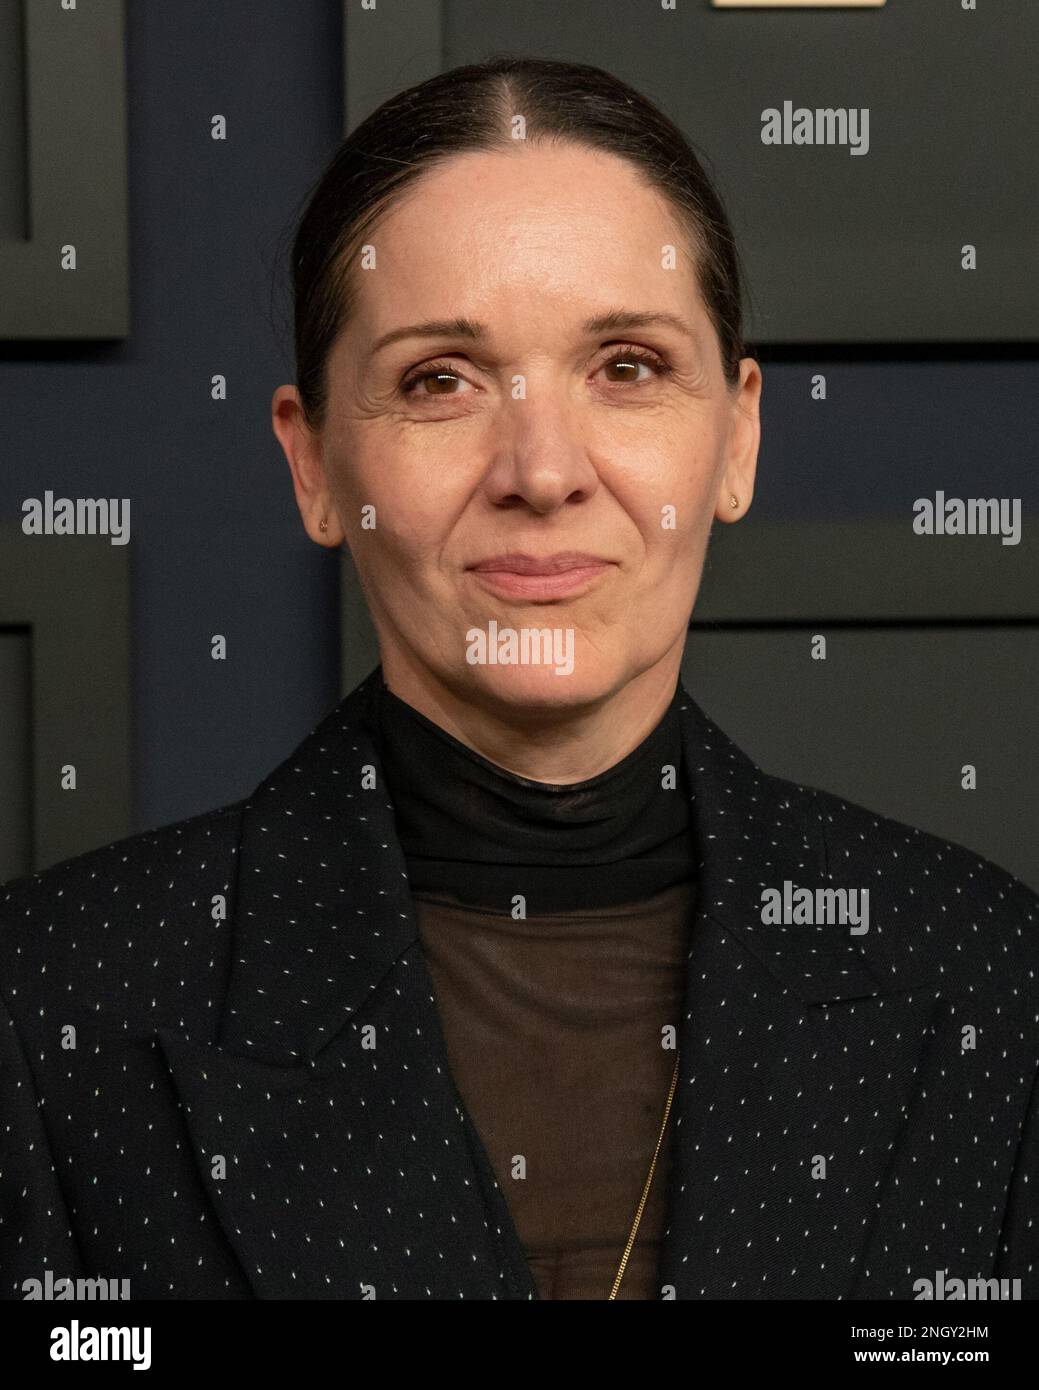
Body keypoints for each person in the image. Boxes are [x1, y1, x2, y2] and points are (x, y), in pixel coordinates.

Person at [2, 57, 1037, 1302]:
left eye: (628, 368)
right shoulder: (52, 1000)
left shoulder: (987, 977)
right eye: (440, 379)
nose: (542, 471)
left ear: (738, 434)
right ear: (315, 464)